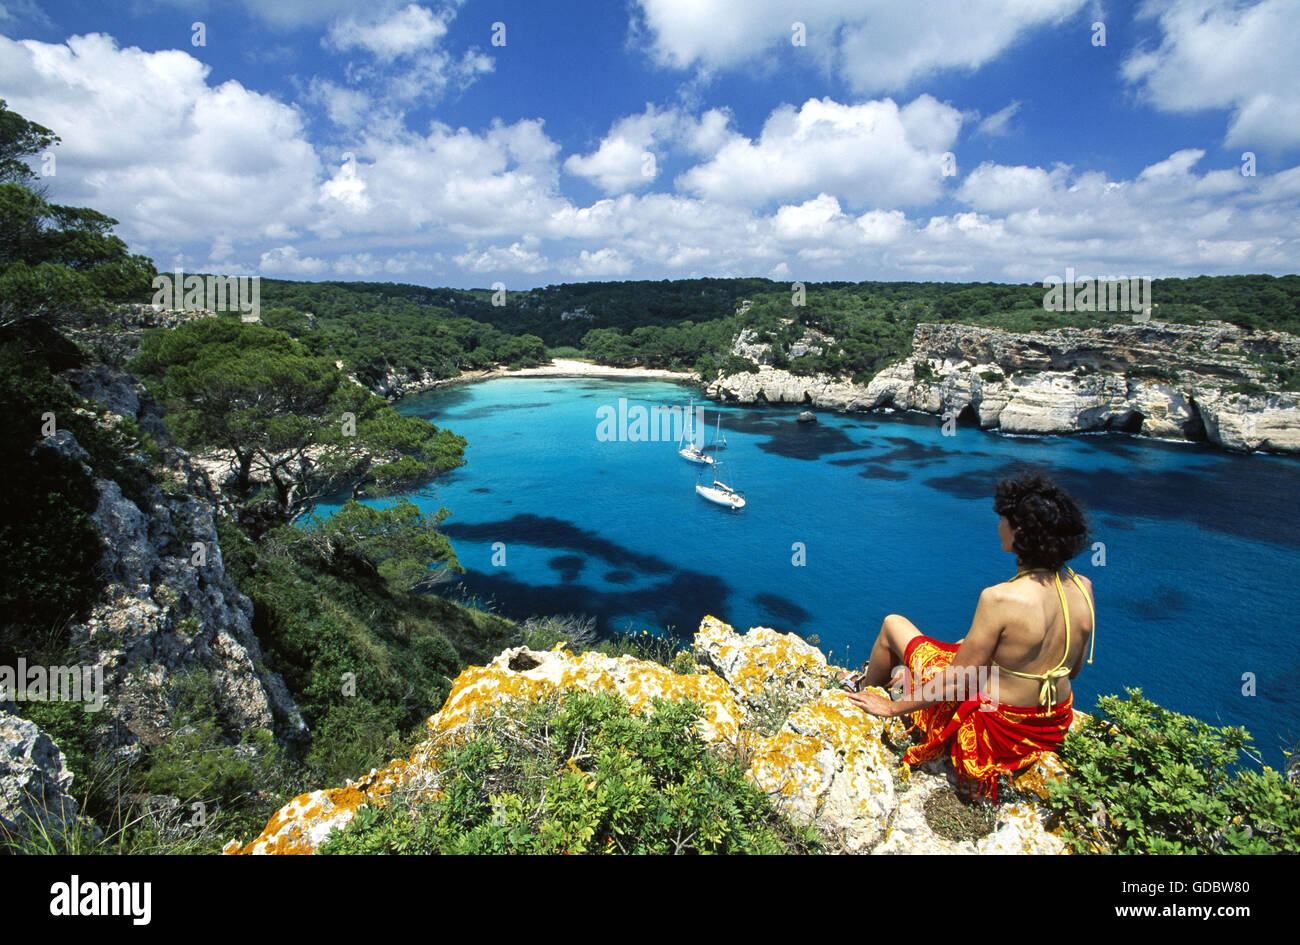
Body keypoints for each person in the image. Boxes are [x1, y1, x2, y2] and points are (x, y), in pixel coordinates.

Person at [843, 469, 1095, 802]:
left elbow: (957, 682)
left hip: (1000, 730)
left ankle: (864, 688)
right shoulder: (1082, 587)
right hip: (1051, 724)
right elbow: (1072, 671)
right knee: (961, 647)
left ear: (1020, 532)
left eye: (1003, 520)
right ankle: (896, 679)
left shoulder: (1000, 598)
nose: (998, 526)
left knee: (893, 624)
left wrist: (893, 709)